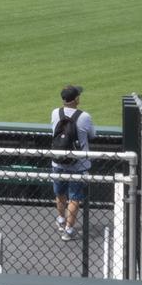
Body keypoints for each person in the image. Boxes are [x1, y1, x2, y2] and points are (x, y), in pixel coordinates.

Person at [51, 84, 94, 241]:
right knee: (74, 197)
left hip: (58, 162)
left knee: (60, 193)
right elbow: (92, 135)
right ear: (76, 99)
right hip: (79, 164)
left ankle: (61, 220)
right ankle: (68, 230)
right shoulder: (85, 117)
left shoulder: (55, 113)